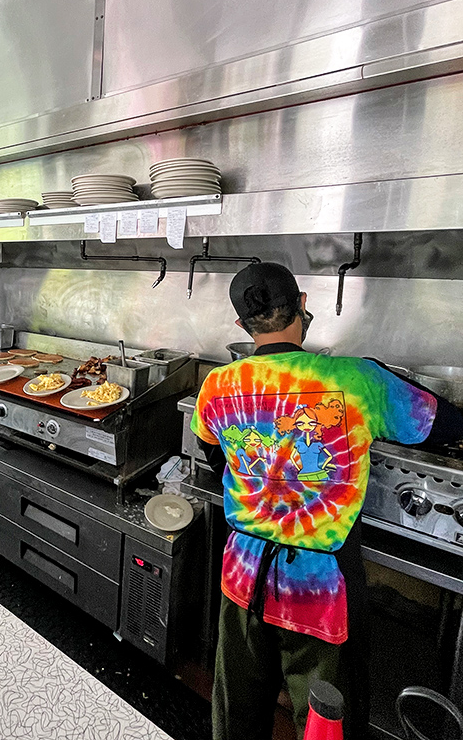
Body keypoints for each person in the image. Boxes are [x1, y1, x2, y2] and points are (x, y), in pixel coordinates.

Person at [191, 262, 463, 740]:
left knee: (237, 712)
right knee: (325, 720)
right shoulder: (359, 380)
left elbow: (215, 455)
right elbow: (444, 424)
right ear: (302, 305)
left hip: (242, 575)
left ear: (242, 325)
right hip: (320, 588)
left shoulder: (218, 384)